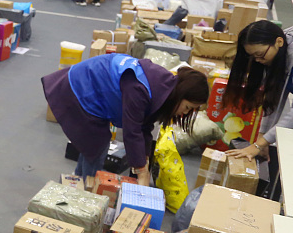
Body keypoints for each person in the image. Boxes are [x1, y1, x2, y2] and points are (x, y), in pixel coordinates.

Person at [43, 55, 208, 184]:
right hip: (83, 86)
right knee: (97, 145)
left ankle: (77, 180)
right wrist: (142, 171)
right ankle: (85, 192)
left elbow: (145, 126)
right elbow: (132, 130)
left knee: (93, 145)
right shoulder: (140, 89)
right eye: (187, 107)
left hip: (95, 85)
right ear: (181, 94)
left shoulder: (165, 88)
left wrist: (144, 160)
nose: (184, 113)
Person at [223, 21, 293, 166]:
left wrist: (259, 145)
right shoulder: (279, 50)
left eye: (260, 55)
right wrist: (262, 137)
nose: (258, 61)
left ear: (279, 42)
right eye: (253, 57)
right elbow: (273, 96)